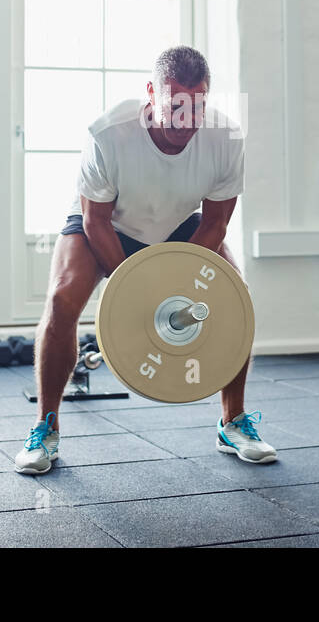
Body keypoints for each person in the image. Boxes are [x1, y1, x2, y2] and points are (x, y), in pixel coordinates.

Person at [14, 46, 276, 474]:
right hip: (107, 222)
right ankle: (46, 427)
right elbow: (95, 221)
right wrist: (136, 289)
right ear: (151, 93)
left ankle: (233, 423)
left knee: (235, 298)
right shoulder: (109, 134)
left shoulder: (225, 139)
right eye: (175, 106)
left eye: (198, 106)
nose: (186, 120)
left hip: (179, 222)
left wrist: (181, 284)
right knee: (62, 301)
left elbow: (215, 225)